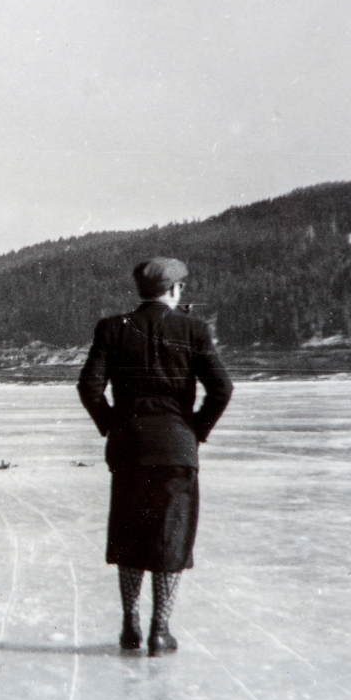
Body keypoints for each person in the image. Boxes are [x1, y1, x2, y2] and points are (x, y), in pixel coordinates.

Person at [77, 257, 233, 656]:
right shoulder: (194, 329)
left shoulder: (112, 328)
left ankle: (129, 625)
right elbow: (222, 389)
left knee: (130, 535)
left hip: (129, 448)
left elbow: (89, 388)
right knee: (171, 535)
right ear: (176, 289)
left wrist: (113, 424)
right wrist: (194, 430)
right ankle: (159, 630)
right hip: (176, 448)